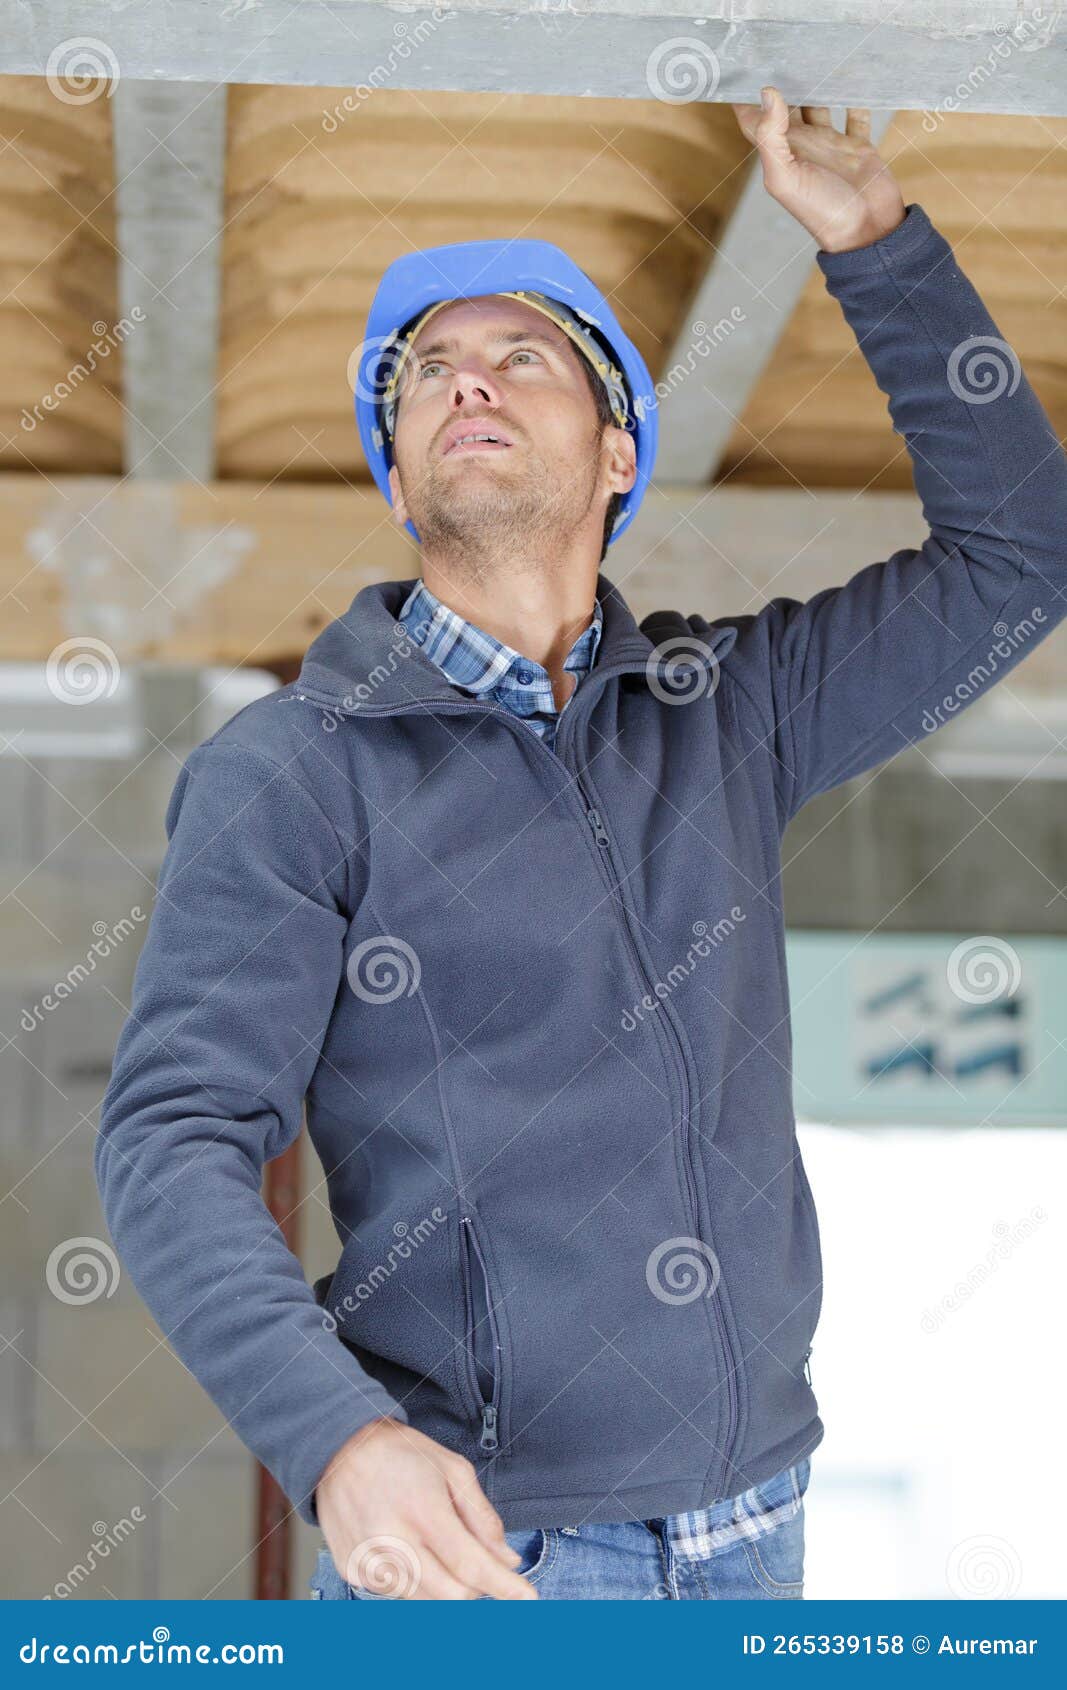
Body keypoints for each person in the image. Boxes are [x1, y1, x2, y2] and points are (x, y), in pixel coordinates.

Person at [95, 88, 1067, 1601]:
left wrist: (876, 242)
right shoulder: (293, 776)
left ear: (619, 454)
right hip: (498, 1549)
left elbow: (1022, 558)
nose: (463, 383)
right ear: (399, 467)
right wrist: (338, 1441)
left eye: (521, 356)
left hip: (758, 1516)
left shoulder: (727, 712)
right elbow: (169, 1140)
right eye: (423, 375)